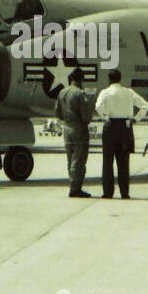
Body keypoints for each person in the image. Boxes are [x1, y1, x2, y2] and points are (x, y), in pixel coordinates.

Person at [93, 69, 148, 199]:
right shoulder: (129, 92)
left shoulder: (105, 92)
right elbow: (145, 105)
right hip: (125, 127)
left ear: (109, 79)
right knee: (124, 161)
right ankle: (125, 193)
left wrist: (105, 117)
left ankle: (108, 193)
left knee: (108, 161)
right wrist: (136, 119)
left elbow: (98, 106)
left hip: (111, 126)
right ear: (120, 79)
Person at [54, 68, 91, 198]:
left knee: (70, 159)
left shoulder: (62, 92)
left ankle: (72, 183)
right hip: (78, 128)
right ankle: (75, 188)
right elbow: (87, 116)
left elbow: (57, 113)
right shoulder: (80, 93)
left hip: (66, 128)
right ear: (81, 79)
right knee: (79, 159)